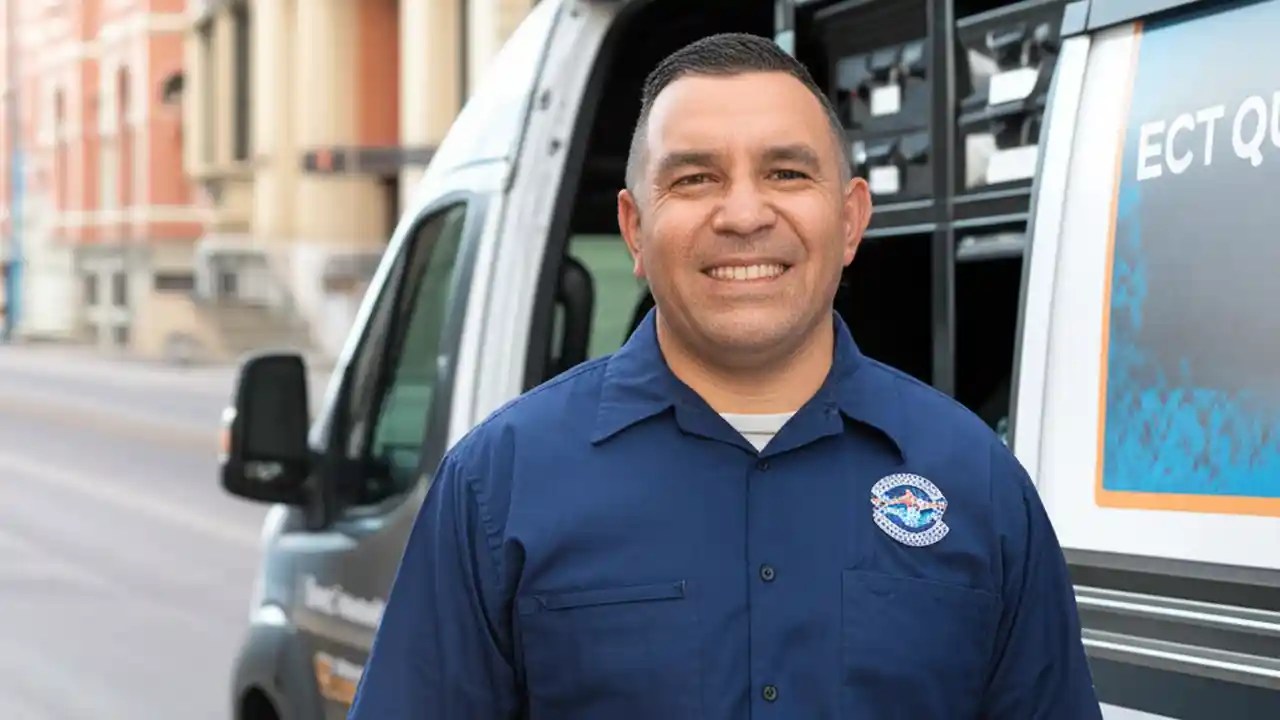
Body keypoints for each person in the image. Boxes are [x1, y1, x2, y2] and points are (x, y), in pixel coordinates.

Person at [348, 32, 1102, 719]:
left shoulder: (978, 483)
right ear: (636, 229)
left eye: (785, 171)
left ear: (850, 221)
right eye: (696, 179)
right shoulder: (498, 484)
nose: (743, 214)